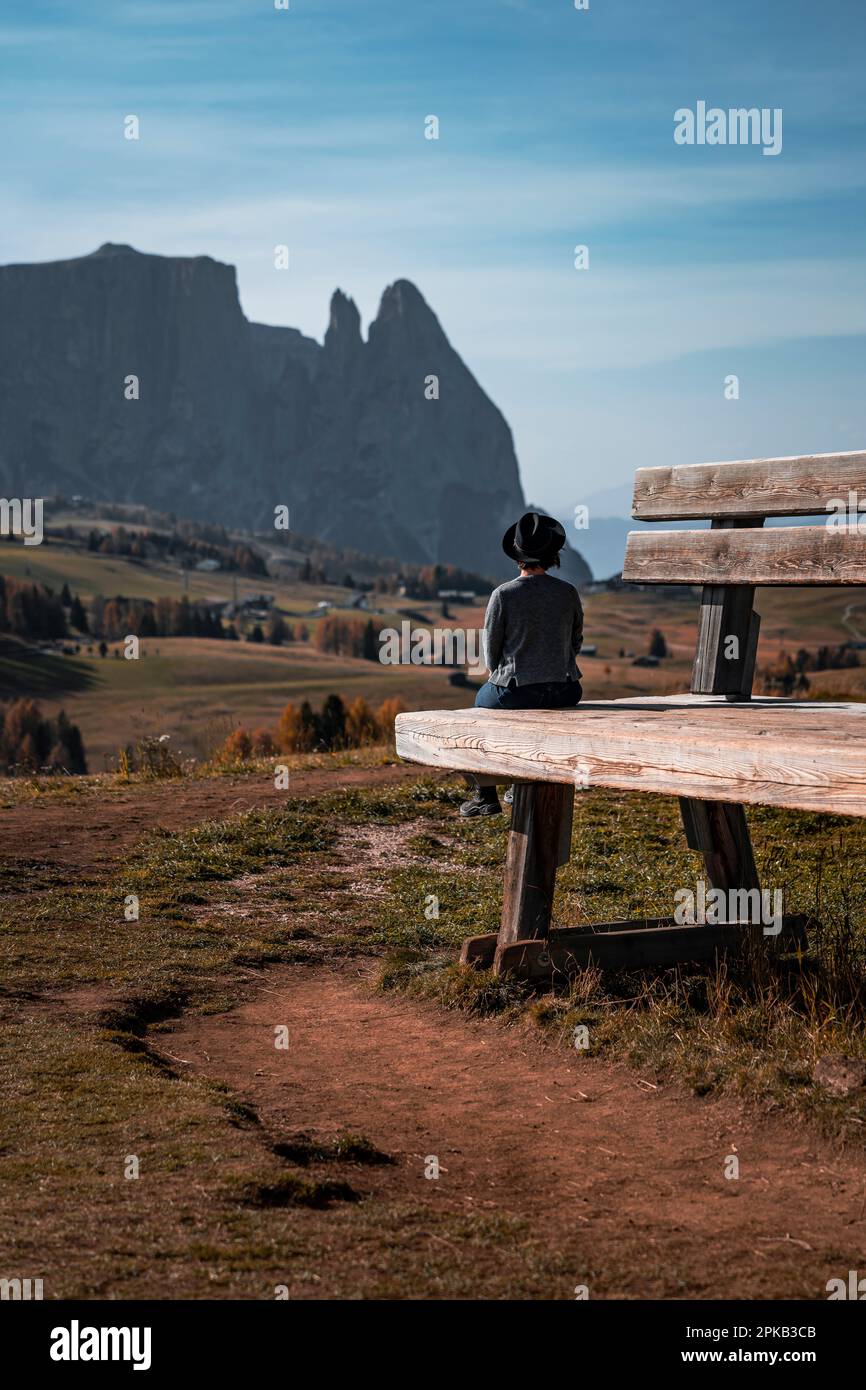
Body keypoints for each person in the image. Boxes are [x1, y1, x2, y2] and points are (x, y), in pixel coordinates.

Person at [460, 511, 584, 817]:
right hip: (566, 690)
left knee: (480, 704)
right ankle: (521, 781)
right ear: (553, 555)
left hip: (518, 690)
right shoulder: (568, 593)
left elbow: (491, 656)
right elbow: (575, 642)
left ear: (518, 556)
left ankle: (485, 793)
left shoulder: (503, 595)